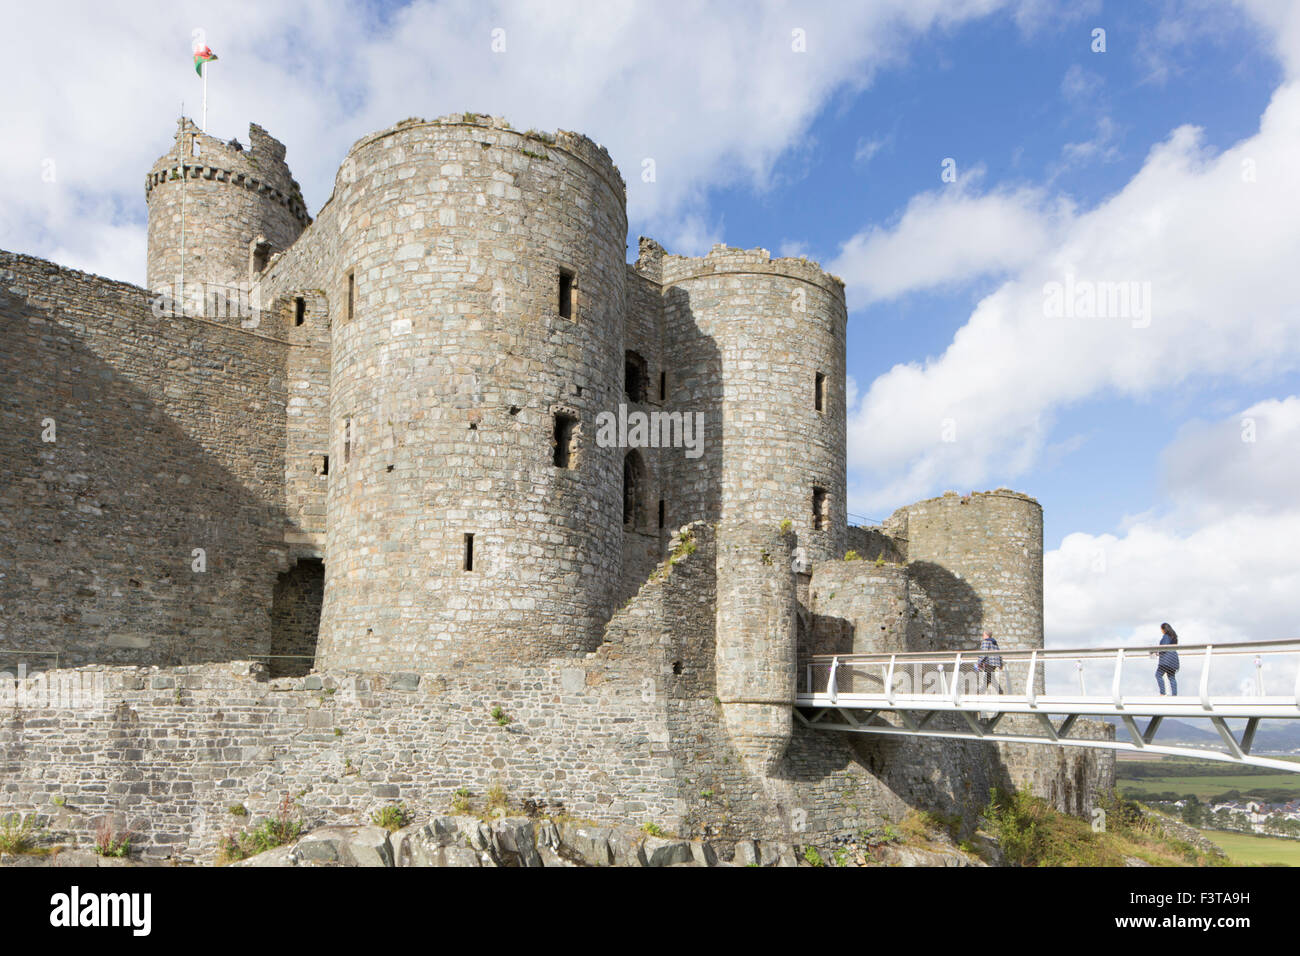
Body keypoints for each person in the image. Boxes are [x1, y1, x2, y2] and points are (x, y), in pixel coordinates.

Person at [1155, 622, 1180, 695]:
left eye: (1161, 629)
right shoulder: (1174, 637)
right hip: (1173, 660)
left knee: (1158, 675)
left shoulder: (1166, 636)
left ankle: (1162, 693)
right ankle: (1174, 694)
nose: (1161, 631)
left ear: (1164, 629)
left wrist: (1156, 652)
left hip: (1166, 660)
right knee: (1171, 677)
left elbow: (1164, 648)